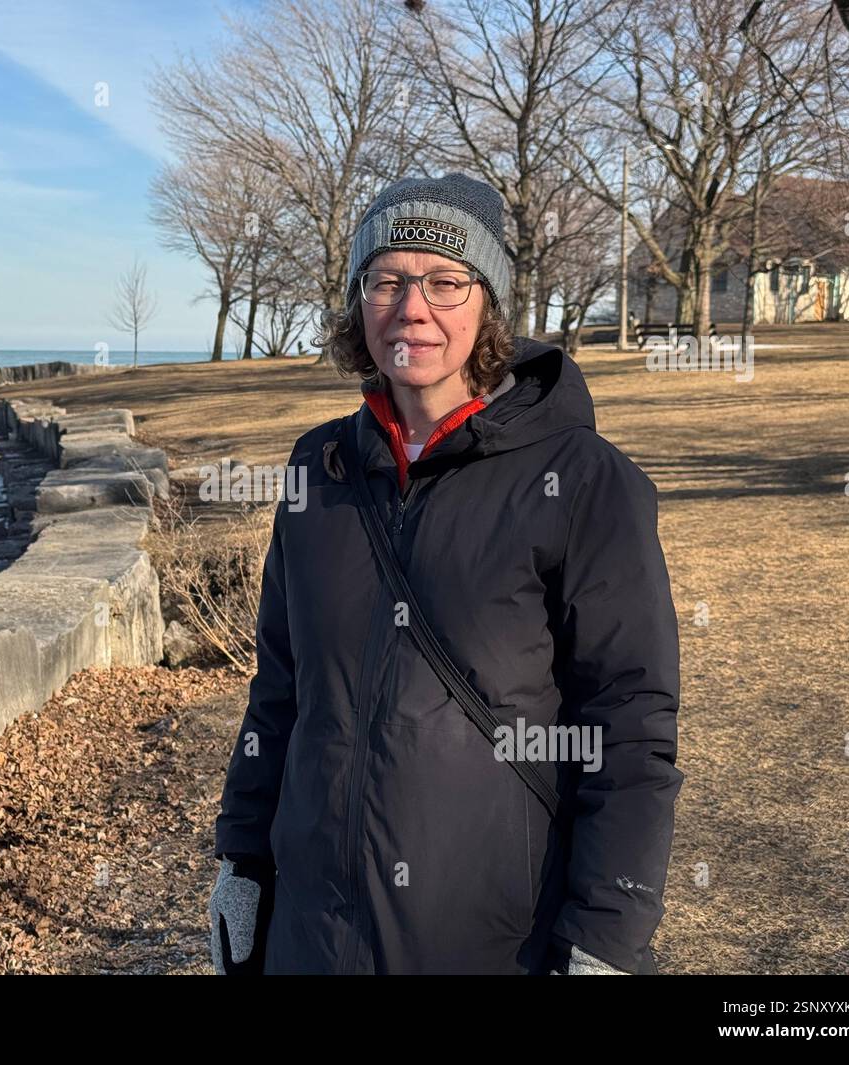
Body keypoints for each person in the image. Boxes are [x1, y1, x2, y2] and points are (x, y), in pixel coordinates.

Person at [208, 172, 683, 975]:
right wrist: (242, 858)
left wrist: (606, 935)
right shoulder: (316, 468)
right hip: (311, 938)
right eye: (386, 279)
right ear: (360, 303)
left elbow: (629, 724)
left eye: (444, 280)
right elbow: (281, 689)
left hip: (492, 939)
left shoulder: (585, 480)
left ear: (487, 302)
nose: (413, 306)